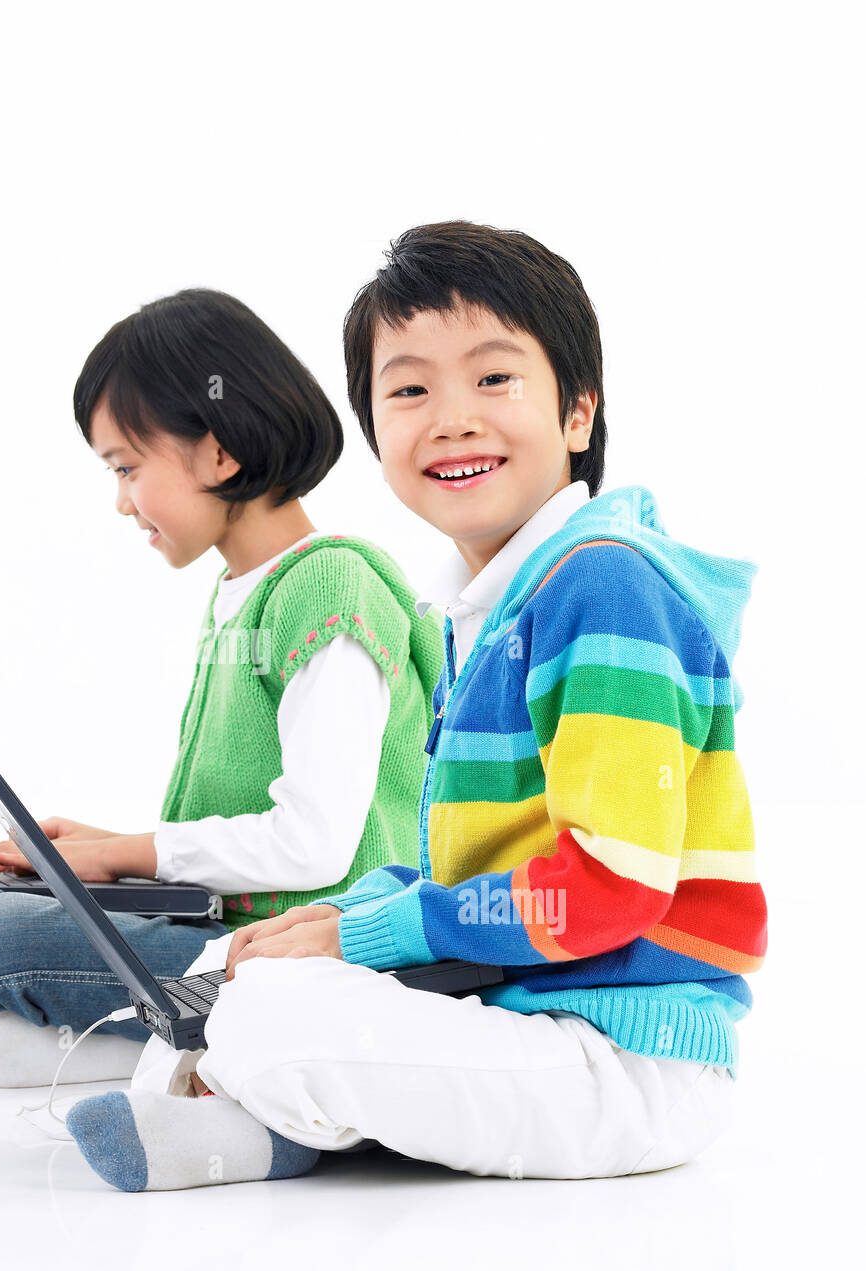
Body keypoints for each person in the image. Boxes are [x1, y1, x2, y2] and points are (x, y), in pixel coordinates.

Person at [64, 223, 768, 1189]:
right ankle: (244, 1135)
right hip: (518, 1007)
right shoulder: (476, 612)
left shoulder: (605, 589)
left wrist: (364, 934)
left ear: (578, 414)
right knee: (245, 963)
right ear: (376, 432)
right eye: (408, 390)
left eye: (493, 380)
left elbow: (610, 887)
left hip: (628, 1056)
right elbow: (463, 869)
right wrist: (342, 915)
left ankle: (237, 1102)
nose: (450, 419)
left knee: (273, 1011)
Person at [0, 287, 443, 1087]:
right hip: (229, 927)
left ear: (220, 452)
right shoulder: (245, 589)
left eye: (128, 468)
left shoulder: (333, 588)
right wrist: (101, 854)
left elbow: (315, 843)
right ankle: (34, 1035)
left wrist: (121, 856)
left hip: (294, 953)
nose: (122, 502)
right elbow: (239, 830)